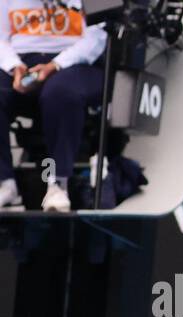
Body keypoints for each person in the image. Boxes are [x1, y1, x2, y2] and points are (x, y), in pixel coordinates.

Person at [0, 0, 107, 213]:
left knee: (60, 92)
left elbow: (97, 38)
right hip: (22, 63)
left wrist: (56, 65)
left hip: (75, 63)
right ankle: (5, 182)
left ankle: (57, 183)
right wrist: (14, 67)